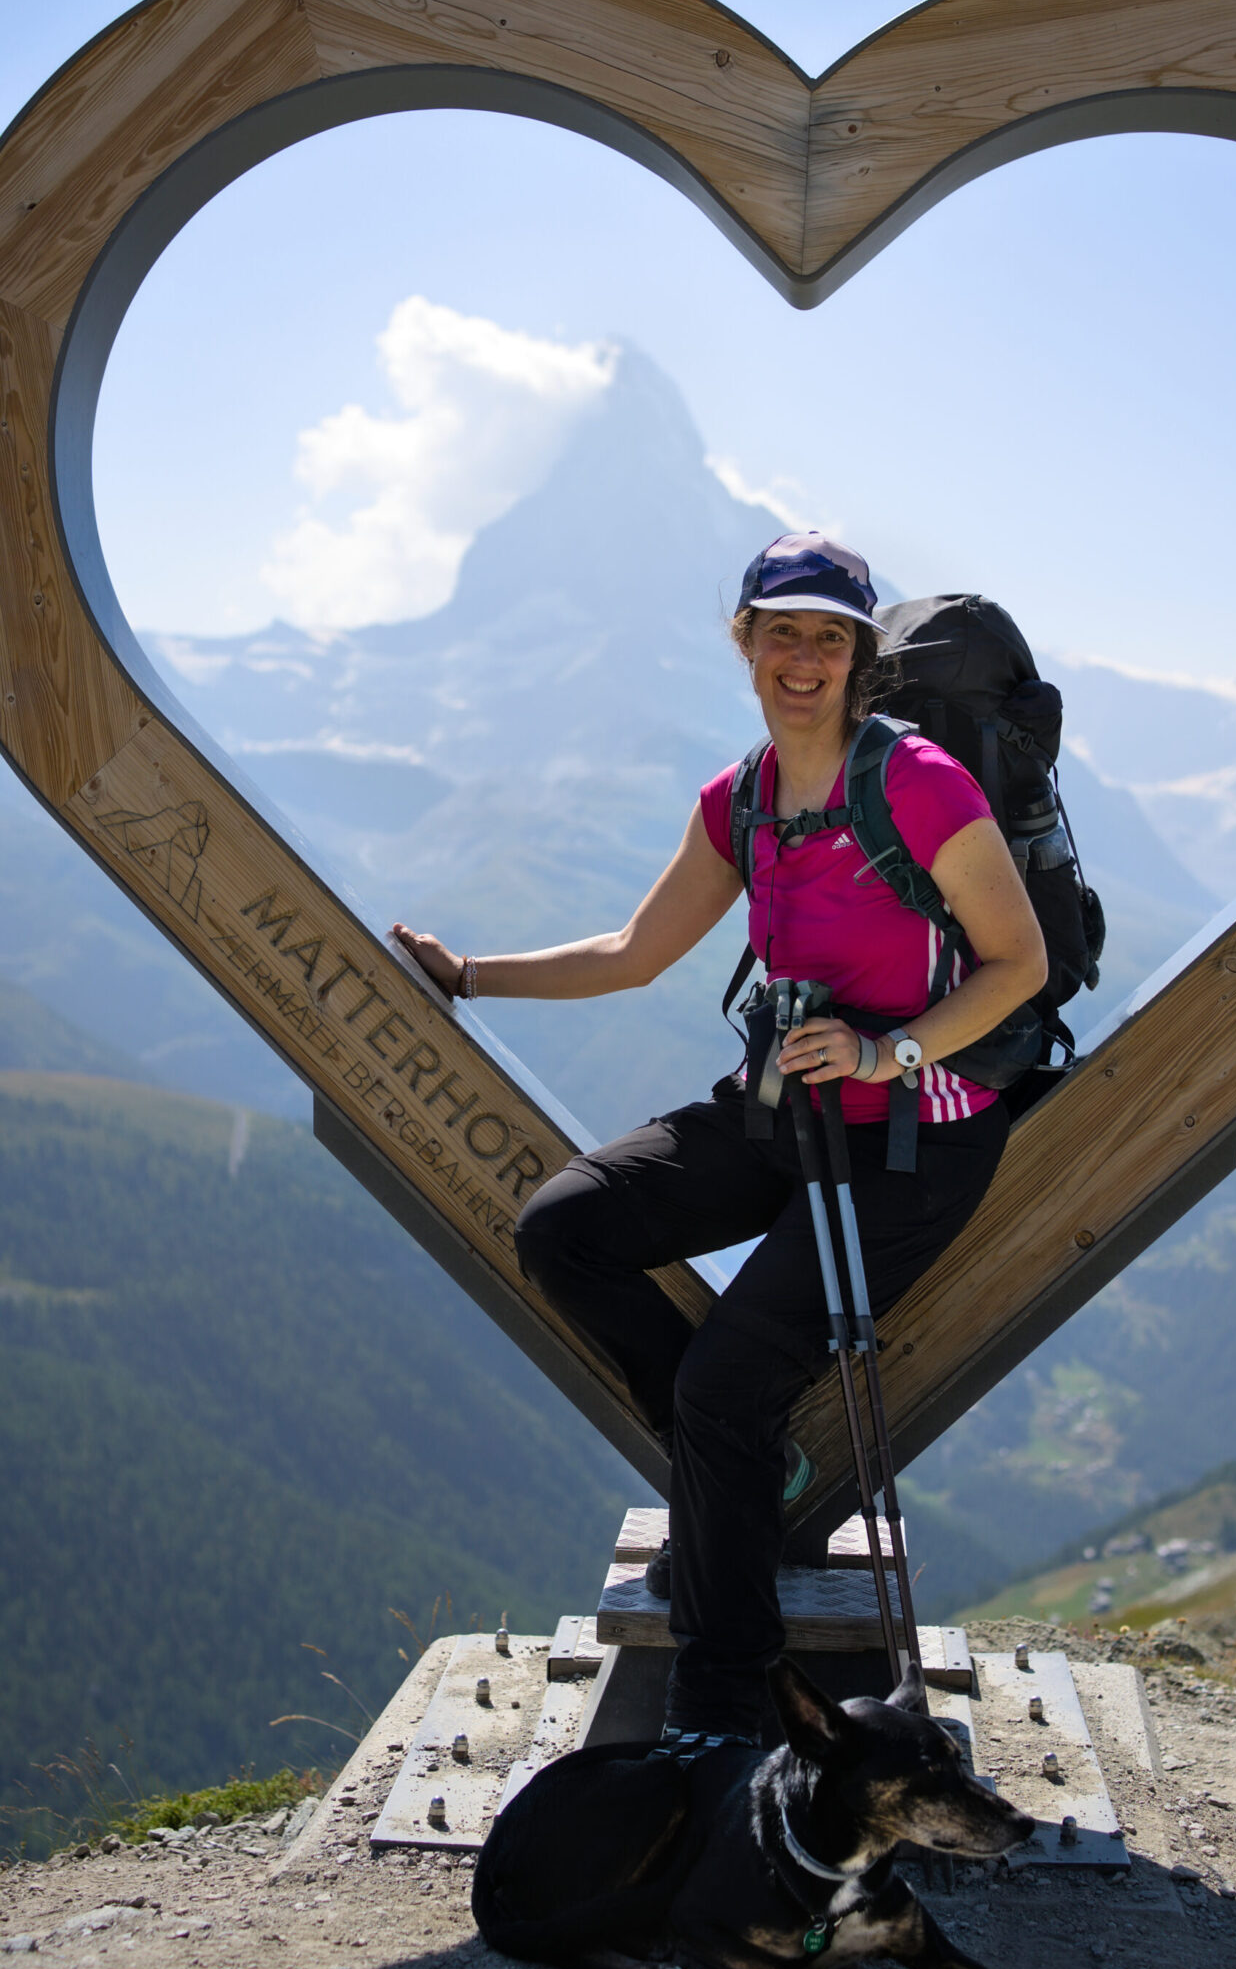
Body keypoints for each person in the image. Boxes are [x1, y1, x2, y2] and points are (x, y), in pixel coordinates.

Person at [394, 532, 1046, 1747]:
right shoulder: (741, 799)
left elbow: (1021, 965)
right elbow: (634, 952)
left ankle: (722, 1703)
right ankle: (733, 1461)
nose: (805, 657)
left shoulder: (916, 785)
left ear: (860, 659)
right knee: (567, 1230)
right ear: (744, 641)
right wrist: (469, 974)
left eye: (831, 637)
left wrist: (886, 1049)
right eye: (783, 631)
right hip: (781, 1112)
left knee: (726, 1384)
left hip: (912, 1141)